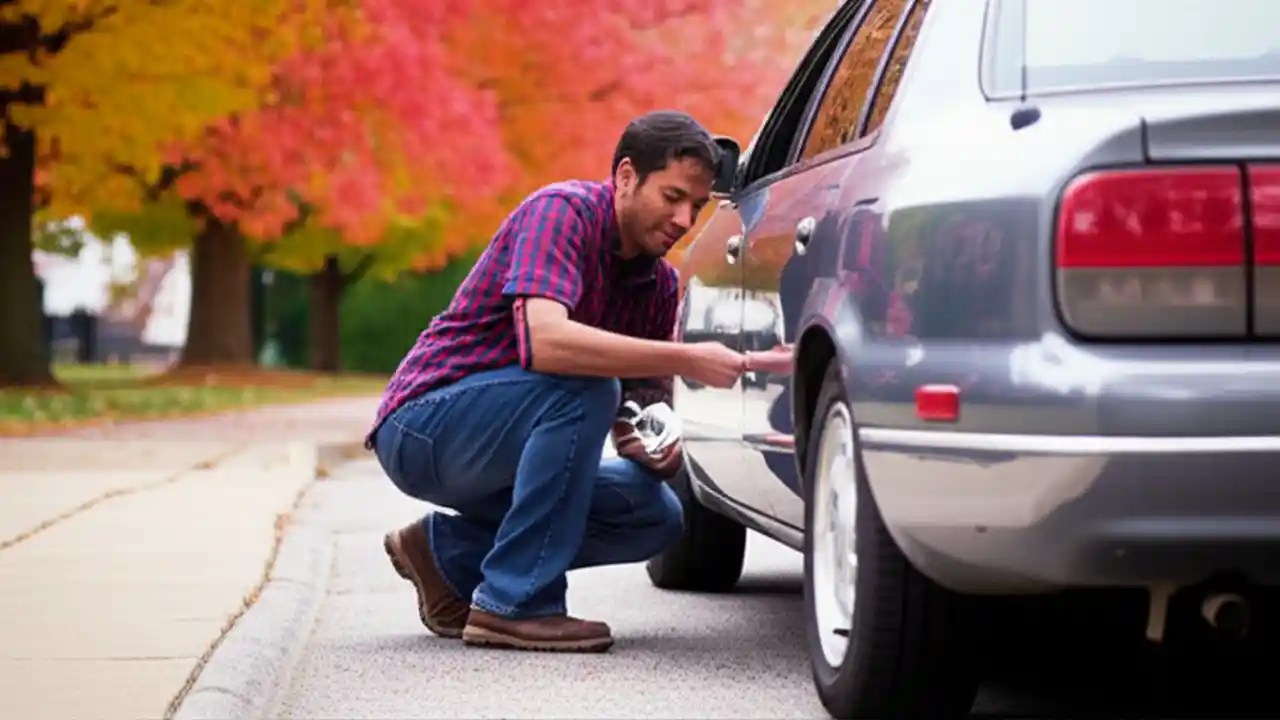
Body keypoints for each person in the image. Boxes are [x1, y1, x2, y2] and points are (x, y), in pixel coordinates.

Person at [365, 110, 747, 653]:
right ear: (625, 177)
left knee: (655, 515)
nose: (685, 220)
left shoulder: (657, 285)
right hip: (424, 427)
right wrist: (685, 357)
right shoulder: (561, 213)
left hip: (508, 448)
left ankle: (443, 551)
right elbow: (546, 343)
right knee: (583, 387)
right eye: (672, 197)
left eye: (698, 206)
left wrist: (652, 441)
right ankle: (515, 604)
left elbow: (634, 408)